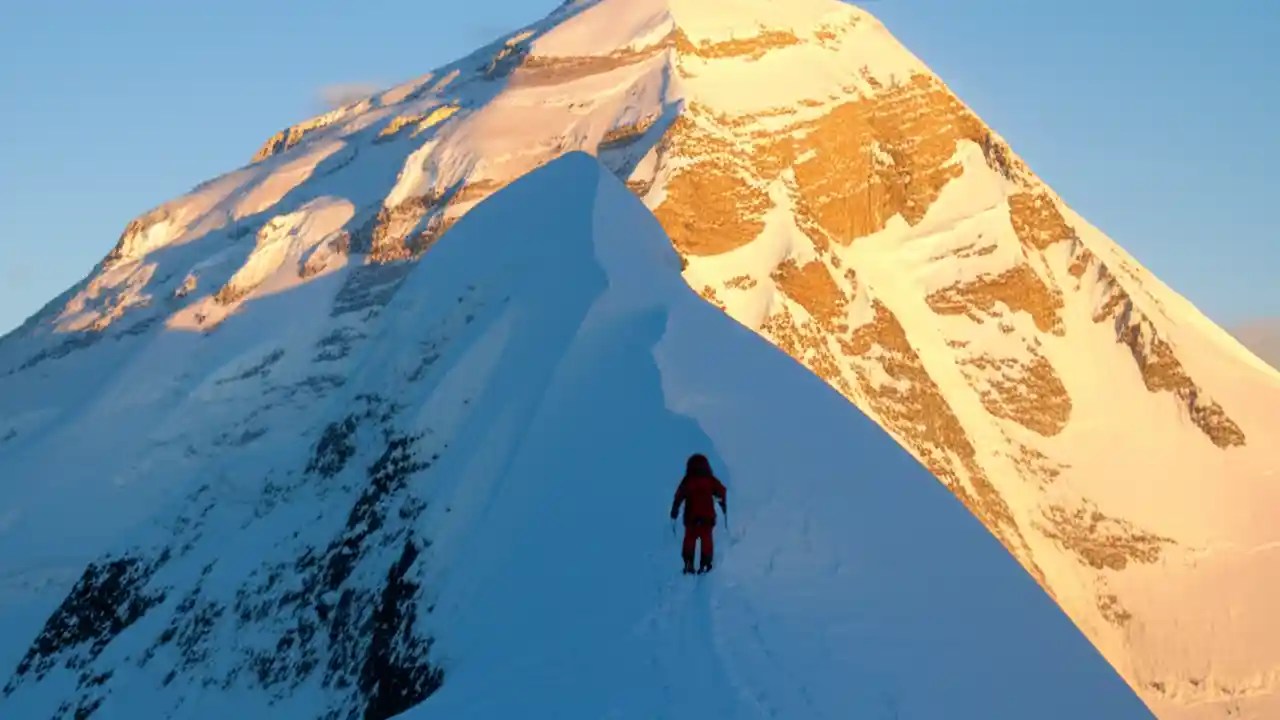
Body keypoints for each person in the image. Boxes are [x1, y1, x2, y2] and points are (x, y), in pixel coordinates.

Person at [670, 454, 727, 574]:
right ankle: (705, 564)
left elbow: (679, 496)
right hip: (707, 517)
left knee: (689, 540)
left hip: (692, 517)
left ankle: (688, 563)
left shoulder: (688, 480)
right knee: (706, 540)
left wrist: (675, 510)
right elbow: (721, 492)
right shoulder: (710, 480)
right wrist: (723, 505)